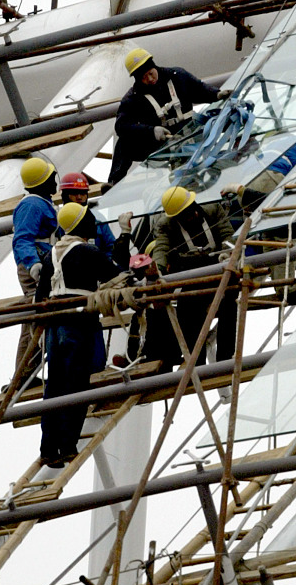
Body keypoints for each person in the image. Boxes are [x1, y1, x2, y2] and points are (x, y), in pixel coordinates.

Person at [35, 203, 121, 468]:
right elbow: (116, 274)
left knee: (55, 385)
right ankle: (69, 445)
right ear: (82, 224)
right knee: (76, 384)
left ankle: (48, 448)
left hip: (54, 324)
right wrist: (125, 235)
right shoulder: (88, 251)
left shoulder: (52, 256)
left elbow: (40, 297)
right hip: (79, 321)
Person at [142, 186, 237, 368]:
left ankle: (225, 358)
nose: (190, 217)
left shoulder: (213, 211)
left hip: (220, 269)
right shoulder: (166, 225)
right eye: (184, 215)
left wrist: (228, 253)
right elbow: (161, 249)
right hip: (191, 275)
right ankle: (197, 362)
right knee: (188, 309)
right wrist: (158, 270)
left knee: (229, 304)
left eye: (190, 211)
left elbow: (228, 236)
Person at [109, 48, 221, 184]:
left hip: (191, 134)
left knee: (221, 117)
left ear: (154, 66)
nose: (150, 79)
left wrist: (217, 94)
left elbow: (199, 89)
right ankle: (114, 183)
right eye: (144, 77)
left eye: (151, 73)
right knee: (124, 143)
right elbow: (122, 126)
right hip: (162, 143)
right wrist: (151, 131)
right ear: (137, 79)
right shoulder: (133, 98)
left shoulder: (177, 76)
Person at [11, 157, 59, 385]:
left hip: (45, 261)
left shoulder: (43, 203)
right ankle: (23, 374)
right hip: (36, 264)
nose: (55, 182)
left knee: (43, 312)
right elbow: (22, 239)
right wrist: (33, 265)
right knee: (36, 312)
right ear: (42, 181)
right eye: (51, 178)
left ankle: (27, 371)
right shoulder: (32, 205)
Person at [58, 172, 130, 266]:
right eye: (75, 193)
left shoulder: (98, 218)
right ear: (65, 195)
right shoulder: (58, 221)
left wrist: (105, 265)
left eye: (83, 193)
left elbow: (111, 247)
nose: (79, 197)